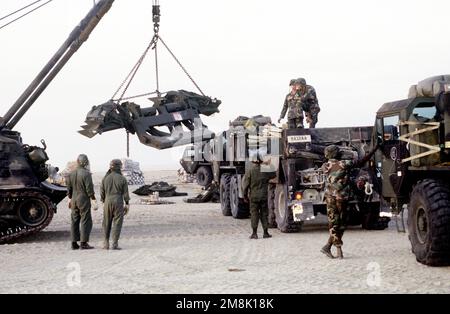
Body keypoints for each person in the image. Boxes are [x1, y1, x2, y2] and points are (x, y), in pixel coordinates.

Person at [320, 144, 379, 259]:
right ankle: (338, 249)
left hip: (329, 198)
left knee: (334, 224)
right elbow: (361, 162)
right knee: (341, 223)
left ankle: (328, 246)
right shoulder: (344, 164)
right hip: (342, 198)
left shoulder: (325, 166)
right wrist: (373, 150)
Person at [67, 154, 97, 250]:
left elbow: (69, 189)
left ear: (77, 161)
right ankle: (83, 243)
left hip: (74, 199)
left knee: (74, 220)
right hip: (83, 198)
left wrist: (70, 199)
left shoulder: (71, 174)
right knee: (86, 220)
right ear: (86, 162)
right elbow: (89, 189)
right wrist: (93, 199)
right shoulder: (86, 174)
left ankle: (74, 243)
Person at [242, 158, 276, 239]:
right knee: (264, 214)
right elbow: (274, 174)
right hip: (263, 196)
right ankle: (265, 233)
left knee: (254, 214)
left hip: (253, 197)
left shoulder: (249, 171)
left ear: (253, 161)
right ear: (261, 161)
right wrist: (268, 164)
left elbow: (245, 185)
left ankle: (254, 233)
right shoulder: (265, 171)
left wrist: (245, 196)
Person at [100, 159, 130, 250]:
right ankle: (114, 244)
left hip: (107, 202)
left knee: (106, 223)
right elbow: (125, 194)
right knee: (117, 223)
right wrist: (127, 204)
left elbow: (102, 192)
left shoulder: (105, 178)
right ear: (119, 167)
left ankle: (106, 244)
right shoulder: (122, 178)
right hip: (118, 201)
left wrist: (103, 201)